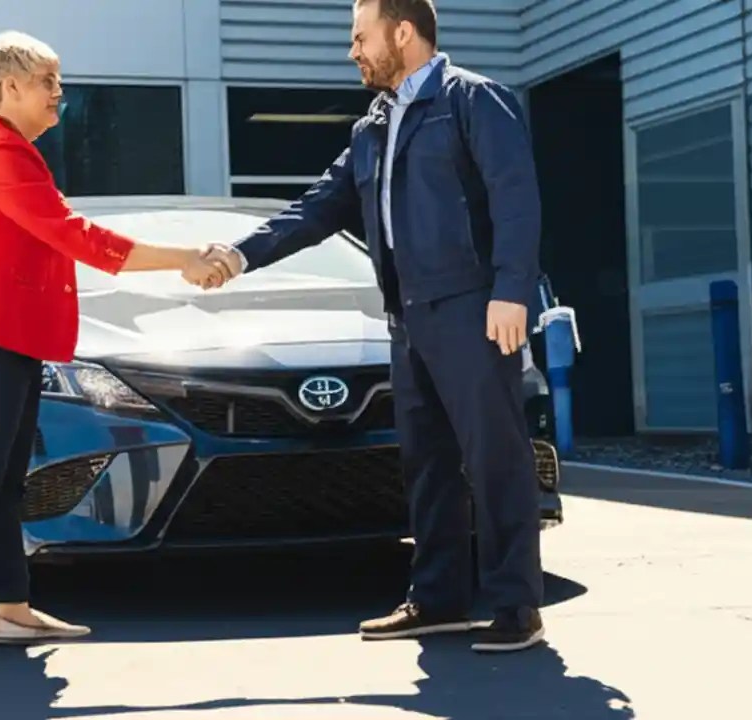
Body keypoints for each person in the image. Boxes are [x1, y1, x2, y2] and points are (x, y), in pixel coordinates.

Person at [201, 0, 546, 653]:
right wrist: (239, 254)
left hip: (473, 310)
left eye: (361, 37)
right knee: (428, 464)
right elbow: (317, 208)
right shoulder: (372, 128)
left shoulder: (472, 100)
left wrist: (512, 291)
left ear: (404, 32)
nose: (353, 51)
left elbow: (515, 195)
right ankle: (439, 599)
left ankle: (515, 605)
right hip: (408, 317)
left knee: (495, 459)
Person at [0, 30, 226, 646]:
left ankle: (12, 605)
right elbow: (76, 237)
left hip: (6, 339)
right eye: (47, 82)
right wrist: (184, 256)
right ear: (10, 87)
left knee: (4, 481)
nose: (60, 92)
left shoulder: (17, 152)